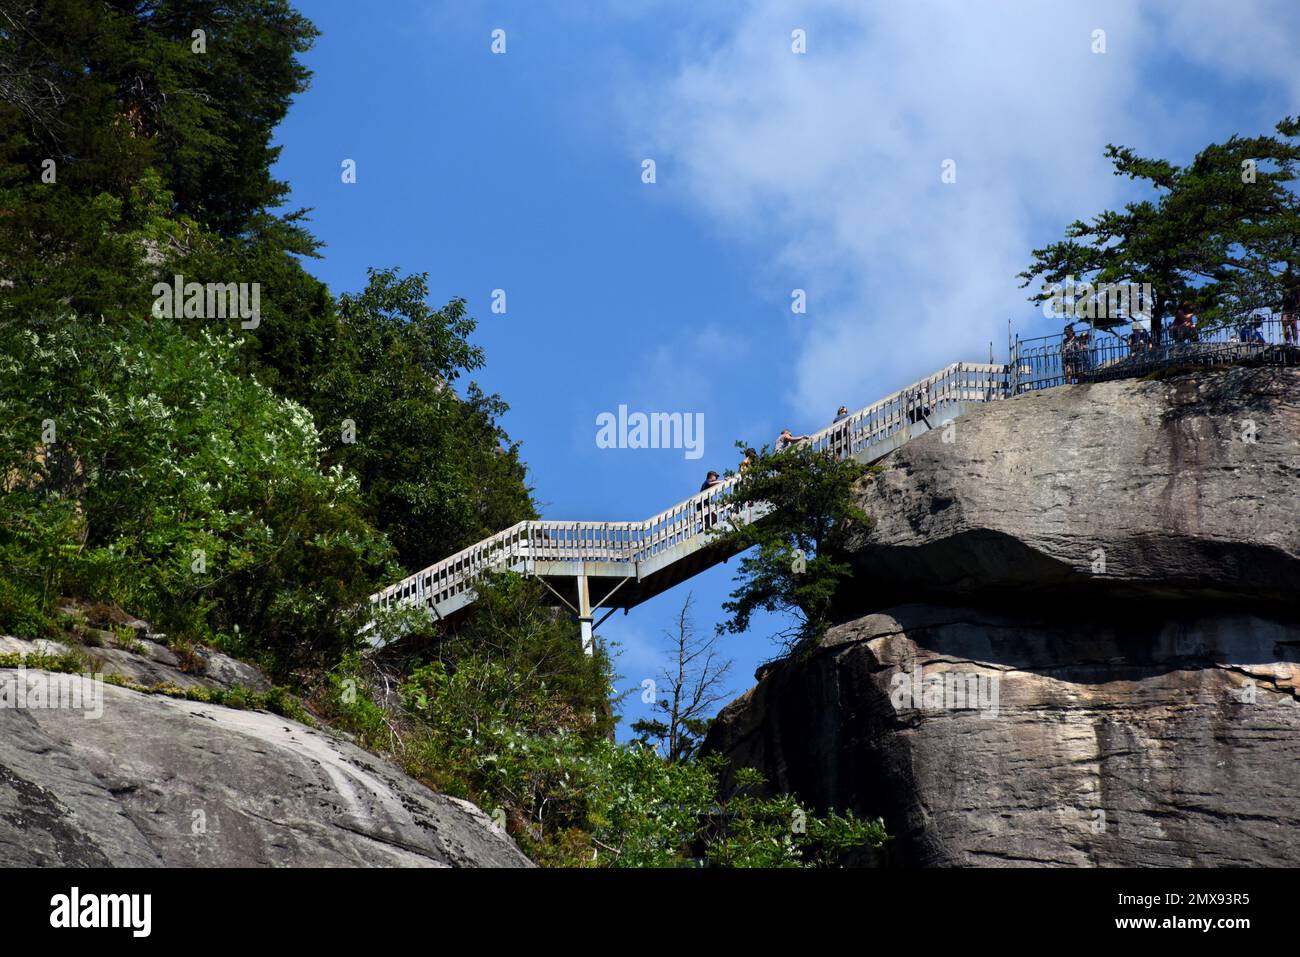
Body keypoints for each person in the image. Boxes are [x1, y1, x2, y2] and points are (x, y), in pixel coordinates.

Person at [1282, 281, 1299, 345]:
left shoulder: (1295, 291)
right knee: (1284, 323)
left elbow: (1298, 301)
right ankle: (1288, 340)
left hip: (1293, 309)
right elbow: (1283, 300)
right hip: (1285, 309)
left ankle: (1295, 341)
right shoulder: (1285, 289)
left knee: (1293, 325)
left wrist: (1296, 311)